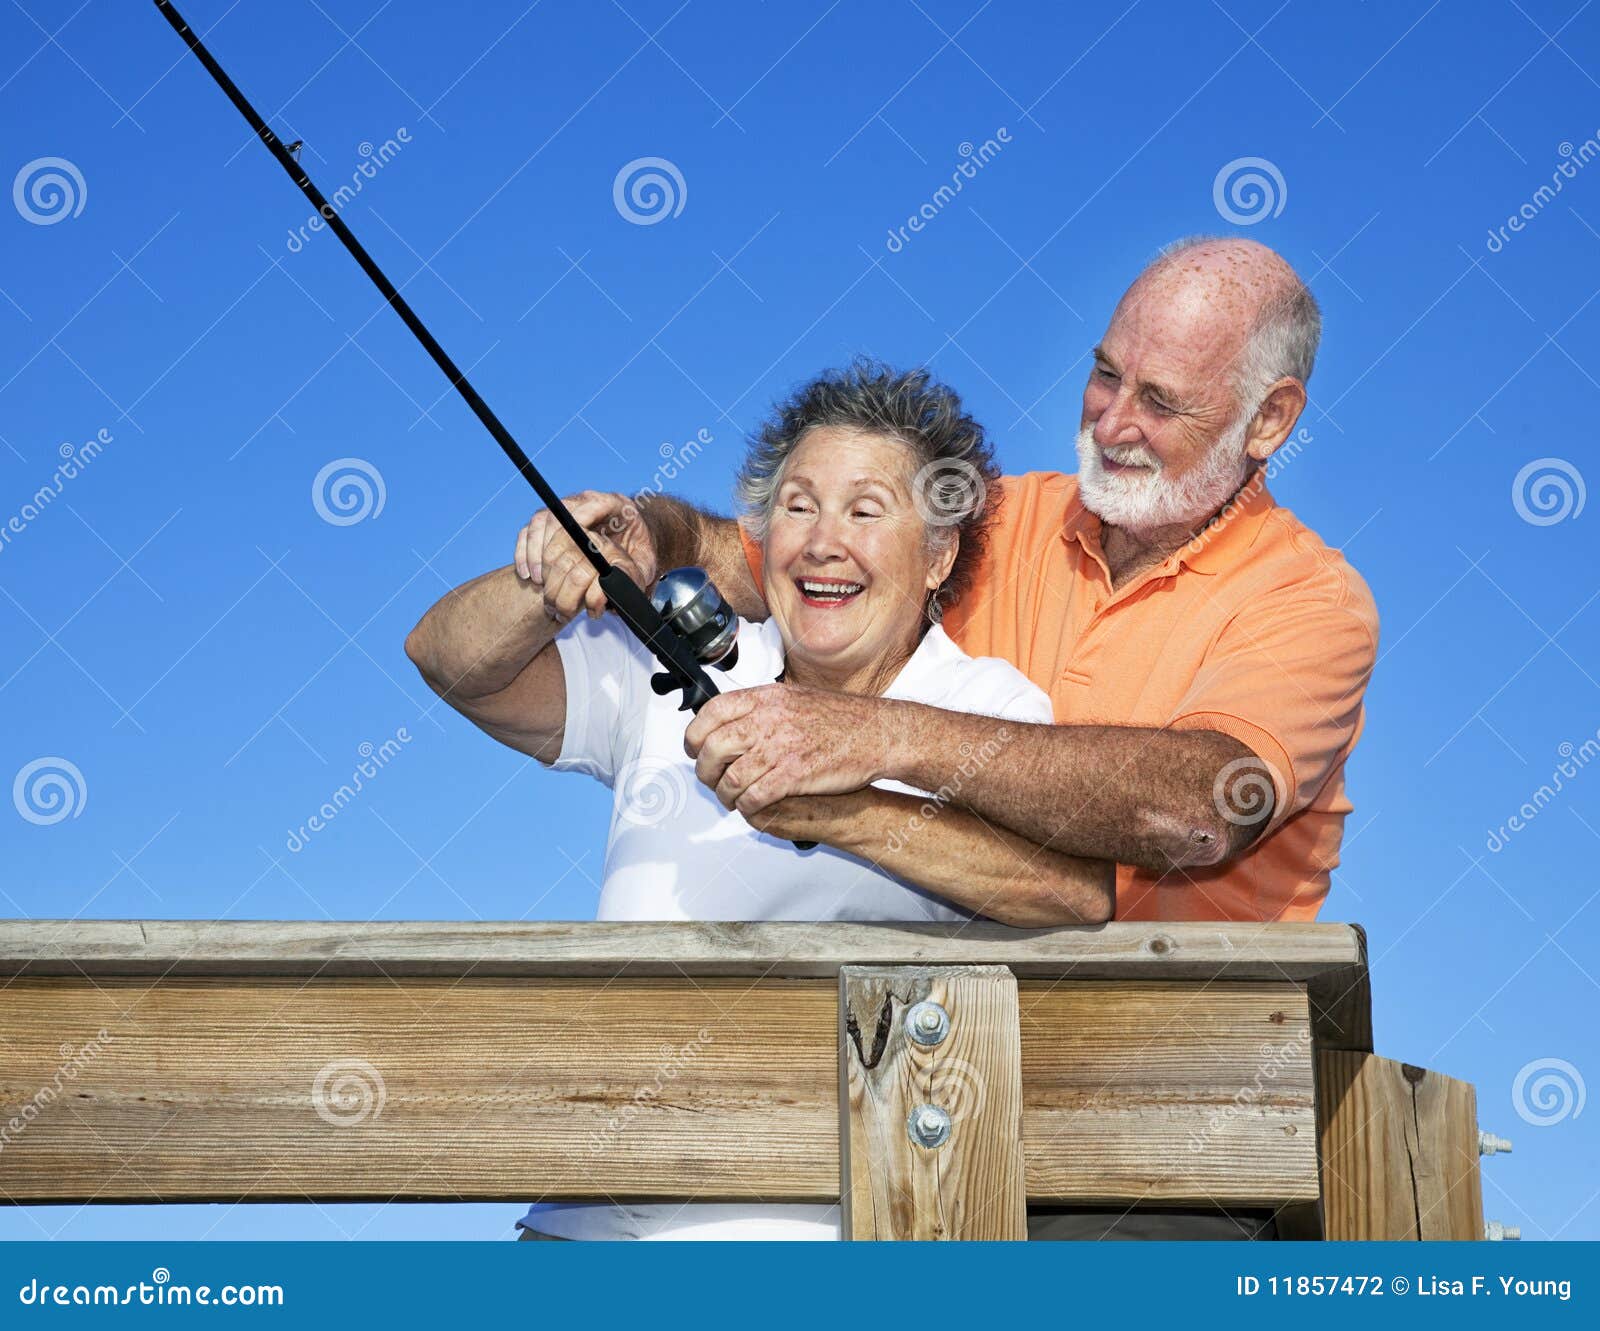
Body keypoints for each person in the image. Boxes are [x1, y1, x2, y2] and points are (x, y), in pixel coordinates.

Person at [404, 362, 1113, 1241]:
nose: (823, 541)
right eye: (799, 505)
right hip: (583, 1226)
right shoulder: (672, 663)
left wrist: (840, 811)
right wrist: (551, 576)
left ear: (938, 555)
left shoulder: (988, 706)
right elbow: (449, 660)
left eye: (866, 510)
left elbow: (1073, 892)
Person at [521, 236, 1380, 926]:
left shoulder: (1310, 600)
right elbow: (764, 557)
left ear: (1271, 417)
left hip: (1205, 1045)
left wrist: (875, 736)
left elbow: (1203, 807)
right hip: (980, 1032)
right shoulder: (995, 515)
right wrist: (648, 529)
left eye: (1161, 401)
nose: (1112, 423)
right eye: (1105, 374)